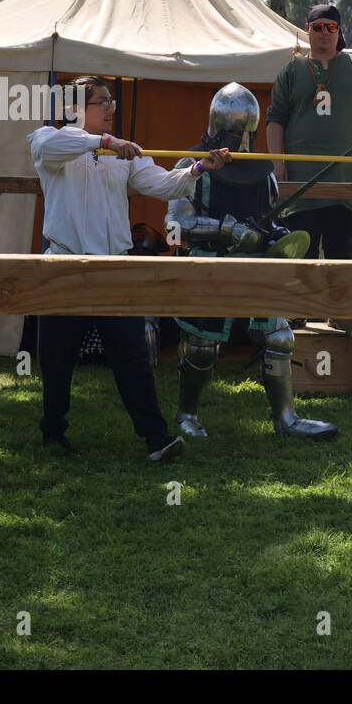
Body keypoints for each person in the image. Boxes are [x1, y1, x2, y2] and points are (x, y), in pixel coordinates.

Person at [27, 75, 230, 462]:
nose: (110, 109)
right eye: (100, 102)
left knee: (133, 357)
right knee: (56, 360)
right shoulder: (47, 141)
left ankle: (157, 440)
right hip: (64, 267)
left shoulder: (124, 155)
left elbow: (166, 185)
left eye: (111, 103)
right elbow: (55, 145)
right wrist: (105, 142)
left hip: (114, 271)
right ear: (75, 109)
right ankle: (52, 435)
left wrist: (199, 169)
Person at [166, 83, 338, 441]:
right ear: (216, 126)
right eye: (231, 131)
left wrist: (275, 234)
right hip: (209, 261)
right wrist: (226, 229)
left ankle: (285, 417)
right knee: (200, 345)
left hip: (257, 264)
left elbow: (268, 217)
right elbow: (177, 223)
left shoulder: (263, 171)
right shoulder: (193, 163)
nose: (236, 137)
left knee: (279, 337)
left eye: (242, 132)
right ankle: (187, 413)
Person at [265, 3, 352, 259]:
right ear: (307, 29)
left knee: (341, 260)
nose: (325, 32)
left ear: (338, 31)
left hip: (346, 184)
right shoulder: (290, 72)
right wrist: (277, 163)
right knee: (300, 260)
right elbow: (275, 120)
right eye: (318, 27)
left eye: (331, 27)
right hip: (300, 186)